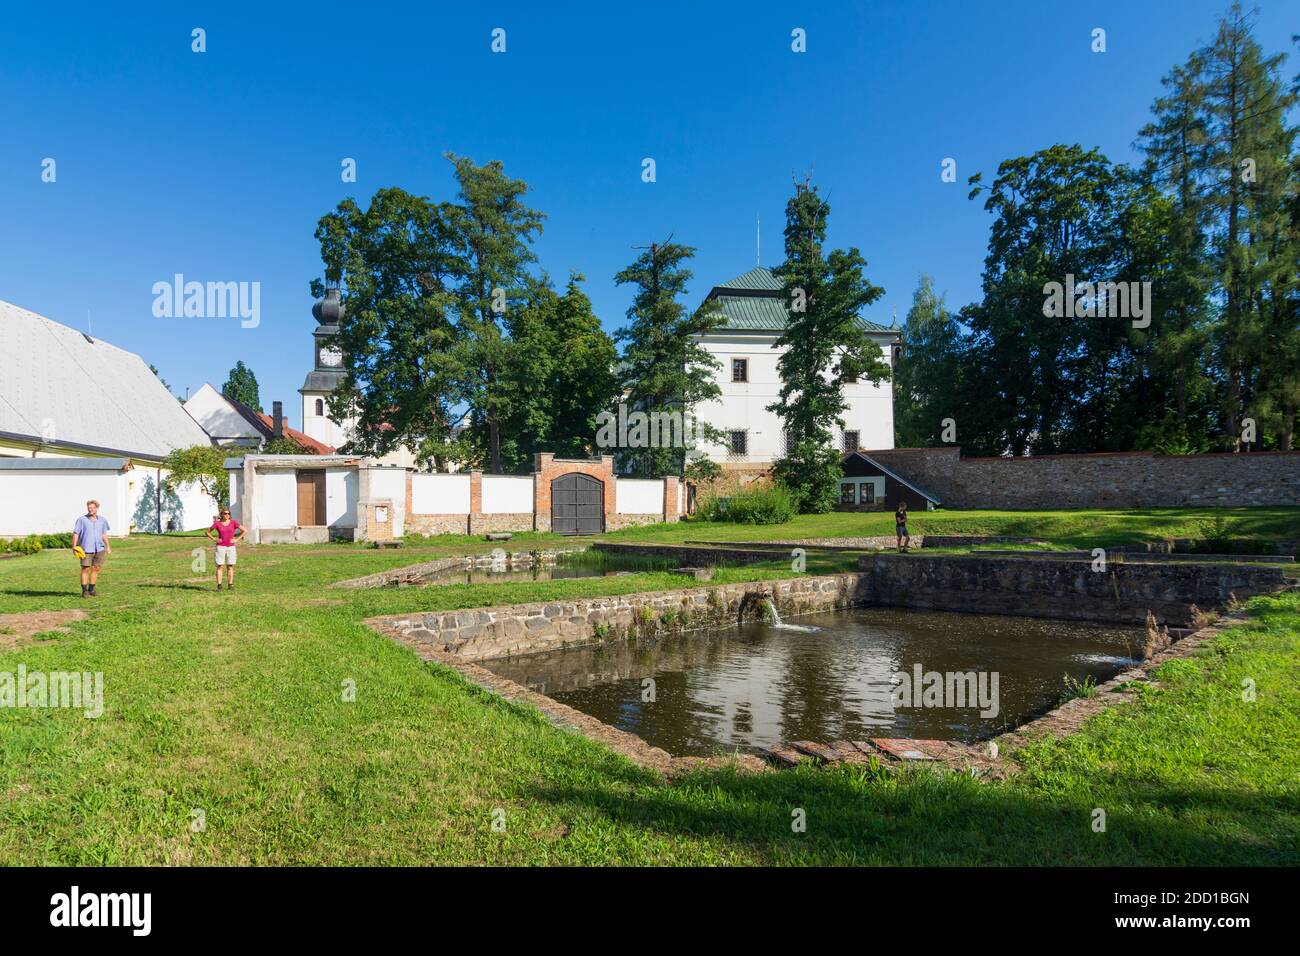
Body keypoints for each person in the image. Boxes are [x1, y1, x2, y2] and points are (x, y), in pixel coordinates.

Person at [72, 499, 111, 598]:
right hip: (86, 549)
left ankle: (92, 590)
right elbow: (76, 533)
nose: (90, 509)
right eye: (89, 508)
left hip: (99, 548)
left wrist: (108, 546)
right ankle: (84, 591)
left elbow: (104, 535)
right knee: (85, 568)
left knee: (96, 568)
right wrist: (74, 546)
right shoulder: (81, 520)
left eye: (92, 507)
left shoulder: (102, 520)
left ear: (97, 508)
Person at [205, 508, 245, 591]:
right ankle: (219, 586)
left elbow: (244, 530)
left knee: (230, 566)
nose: (227, 515)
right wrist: (215, 539)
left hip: (231, 547)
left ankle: (230, 585)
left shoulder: (233, 523)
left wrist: (237, 539)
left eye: (228, 514)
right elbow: (207, 532)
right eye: (225, 513)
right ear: (221, 515)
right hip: (220, 547)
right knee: (220, 566)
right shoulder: (217, 524)